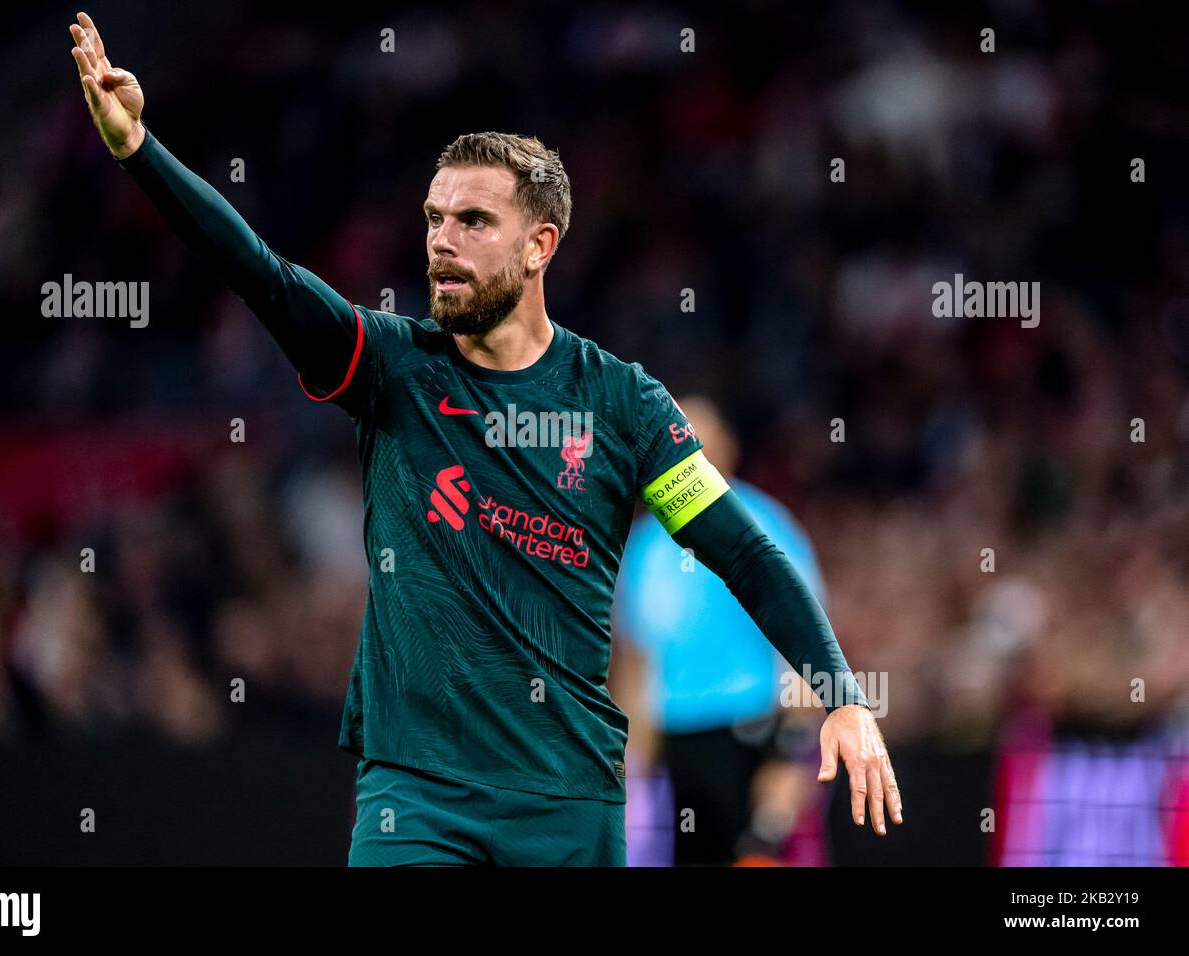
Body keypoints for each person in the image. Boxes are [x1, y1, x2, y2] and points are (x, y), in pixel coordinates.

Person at [69, 10, 902, 866]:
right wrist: (140, 150)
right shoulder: (391, 367)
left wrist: (838, 691)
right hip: (416, 798)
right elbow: (261, 273)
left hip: (569, 805)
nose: (441, 242)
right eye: (434, 219)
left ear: (540, 245)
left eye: (473, 221)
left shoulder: (625, 407)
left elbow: (743, 550)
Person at [615, 396, 829, 865]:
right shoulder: (646, 548)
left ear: (728, 448)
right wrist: (632, 773)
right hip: (679, 745)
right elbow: (638, 663)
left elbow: (804, 647)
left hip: (750, 733)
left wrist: (790, 756)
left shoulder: (769, 527)